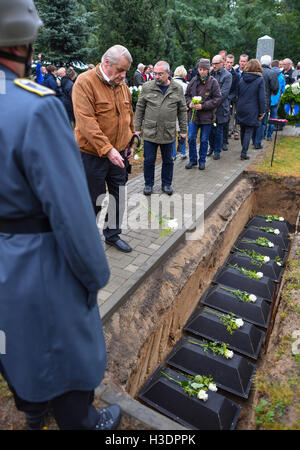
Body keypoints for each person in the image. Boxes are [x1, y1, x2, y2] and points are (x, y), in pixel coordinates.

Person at [0, 0, 121, 431]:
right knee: (65, 354)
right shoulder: (35, 106)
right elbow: (71, 215)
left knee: (12, 344)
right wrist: (95, 276)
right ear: (23, 40)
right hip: (39, 263)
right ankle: (83, 424)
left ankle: (32, 413)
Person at [72, 44, 135, 253]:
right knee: (93, 200)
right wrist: (107, 149)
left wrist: (131, 141)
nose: (123, 76)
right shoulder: (85, 82)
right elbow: (86, 122)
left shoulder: (123, 86)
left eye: (126, 71)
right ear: (106, 63)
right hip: (92, 155)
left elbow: (128, 116)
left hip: (120, 154)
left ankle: (112, 235)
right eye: (120, 70)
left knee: (120, 196)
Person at [134, 60, 187, 195]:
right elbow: (140, 108)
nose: (157, 76)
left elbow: (182, 110)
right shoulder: (147, 87)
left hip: (168, 131)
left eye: (160, 74)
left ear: (168, 74)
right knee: (149, 160)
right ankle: (148, 184)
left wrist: (183, 130)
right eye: (155, 74)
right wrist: (137, 128)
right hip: (150, 131)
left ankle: (166, 184)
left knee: (168, 160)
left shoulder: (177, 88)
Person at [185, 58, 222, 170]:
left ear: (208, 70)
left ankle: (202, 160)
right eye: (200, 69)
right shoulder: (193, 81)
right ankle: (192, 160)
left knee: (204, 140)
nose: (201, 71)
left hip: (207, 117)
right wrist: (189, 103)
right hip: (193, 116)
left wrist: (203, 106)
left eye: (204, 69)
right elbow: (186, 95)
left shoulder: (213, 82)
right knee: (191, 138)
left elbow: (217, 99)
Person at [236, 59, 266, 160]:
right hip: (252, 108)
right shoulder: (260, 80)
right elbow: (261, 97)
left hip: (241, 107)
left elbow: (238, 93)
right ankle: (244, 152)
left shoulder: (242, 77)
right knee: (249, 130)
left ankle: (243, 148)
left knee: (243, 129)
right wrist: (262, 111)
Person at [208, 54, 232, 160]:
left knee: (218, 130)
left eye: (216, 64)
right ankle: (211, 147)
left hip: (221, 107)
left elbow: (223, 93)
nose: (214, 66)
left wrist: (211, 102)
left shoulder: (227, 75)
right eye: (212, 64)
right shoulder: (210, 74)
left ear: (222, 63)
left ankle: (217, 150)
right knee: (210, 130)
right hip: (210, 107)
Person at [252, 54, 279, 149]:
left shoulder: (255, 71)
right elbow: (275, 88)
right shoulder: (271, 73)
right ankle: (257, 142)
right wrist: (272, 92)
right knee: (262, 121)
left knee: (254, 120)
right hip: (265, 100)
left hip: (254, 99)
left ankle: (253, 139)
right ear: (270, 63)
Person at [265, 60, 286, 140]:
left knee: (265, 118)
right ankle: (269, 136)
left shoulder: (268, 74)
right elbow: (283, 90)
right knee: (273, 118)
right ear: (278, 66)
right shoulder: (281, 76)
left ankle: (263, 134)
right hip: (276, 100)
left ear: (271, 65)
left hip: (267, 99)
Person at [172, 65, 189, 160]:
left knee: (172, 133)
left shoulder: (170, 84)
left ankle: (173, 154)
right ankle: (182, 152)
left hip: (171, 111)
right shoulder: (186, 85)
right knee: (182, 132)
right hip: (182, 112)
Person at [223, 54, 239, 149]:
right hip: (220, 98)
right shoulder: (219, 72)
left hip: (229, 100)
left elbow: (235, 89)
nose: (229, 64)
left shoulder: (236, 75)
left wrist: (229, 97)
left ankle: (225, 140)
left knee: (228, 119)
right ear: (225, 61)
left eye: (231, 63)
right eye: (228, 62)